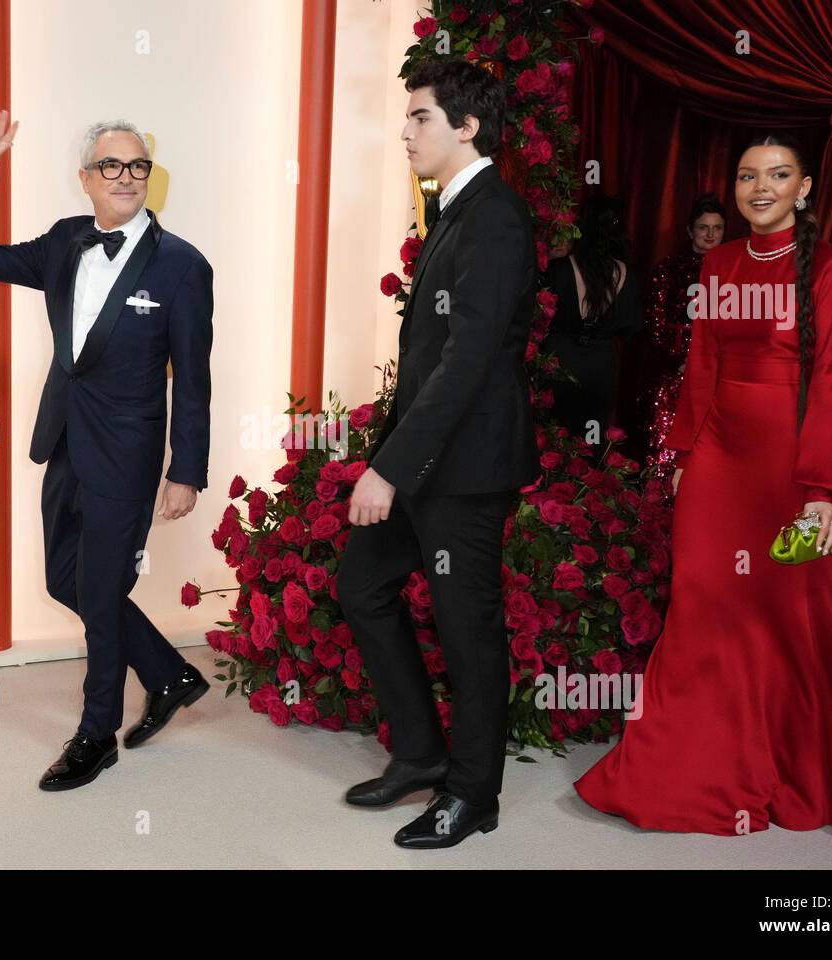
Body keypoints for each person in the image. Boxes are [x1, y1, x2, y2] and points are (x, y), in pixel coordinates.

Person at [574, 133, 832, 844]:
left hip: (793, 465)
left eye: (778, 175)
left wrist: (825, 491)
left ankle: (788, 759)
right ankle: (693, 759)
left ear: (803, 189)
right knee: (702, 598)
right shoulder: (719, 261)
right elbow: (705, 361)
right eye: (749, 175)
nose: (760, 187)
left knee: (787, 609)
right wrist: (685, 451)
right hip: (720, 457)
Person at [0, 113, 214, 791]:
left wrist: (186, 470)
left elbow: (196, 379)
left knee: (98, 587)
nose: (127, 178)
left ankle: (97, 733)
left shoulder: (183, 266)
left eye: (139, 166)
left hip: (128, 450)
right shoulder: (66, 241)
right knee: (66, 580)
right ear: (86, 178)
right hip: (64, 436)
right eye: (112, 167)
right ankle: (170, 673)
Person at [337, 60, 539, 849]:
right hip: (427, 459)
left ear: (467, 127)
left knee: (468, 631)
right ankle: (420, 751)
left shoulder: (492, 216)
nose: (405, 131)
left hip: (467, 468)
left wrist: (388, 466)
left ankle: (472, 794)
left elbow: (469, 361)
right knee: (364, 587)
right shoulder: (457, 208)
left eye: (420, 116)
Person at [539, 194, 645, 440]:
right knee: (591, 439)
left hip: (560, 360)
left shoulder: (559, 268)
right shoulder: (624, 272)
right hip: (600, 364)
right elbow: (632, 327)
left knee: (554, 436)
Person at [642, 194, 726, 483]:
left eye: (718, 228)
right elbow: (655, 324)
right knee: (668, 446)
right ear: (690, 231)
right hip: (676, 377)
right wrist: (679, 362)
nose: (711, 234)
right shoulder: (668, 270)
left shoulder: (736, 273)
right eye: (704, 227)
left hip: (721, 378)